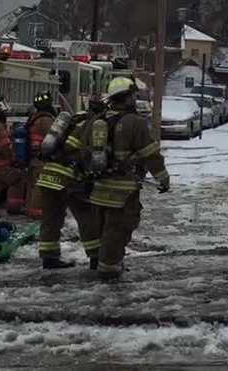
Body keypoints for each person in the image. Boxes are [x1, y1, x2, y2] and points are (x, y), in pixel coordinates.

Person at [88, 77, 170, 281]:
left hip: (99, 188)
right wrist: (163, 178)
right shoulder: (135, 122)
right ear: (127, 97)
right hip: (123, 192)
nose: (135, 98)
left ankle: (102, 262)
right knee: (118, 230)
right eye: (133, 95)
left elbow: (85, 152)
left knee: (102, 228)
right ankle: (108, 270)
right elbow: (150, 154)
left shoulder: (98, 121)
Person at [36, 94, 104, 270]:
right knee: (87, 217)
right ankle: (96, 258)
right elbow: (90, 154)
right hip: (69, 177)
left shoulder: (75, 118)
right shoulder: (96, 125)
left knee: (51, 218)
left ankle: (49, 258)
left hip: (49, 174)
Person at [25, 92, 57, 220]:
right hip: (42, 158)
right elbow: (55, 136)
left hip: (34, 158)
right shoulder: (46, 119)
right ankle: (37, 212)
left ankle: (30, 209)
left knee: (32, 185)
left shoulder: (34, 117)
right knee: (40, 185)